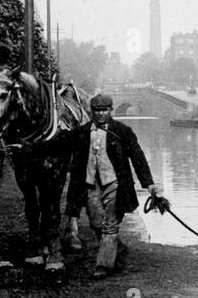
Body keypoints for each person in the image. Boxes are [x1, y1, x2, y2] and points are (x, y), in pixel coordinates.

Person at [64, 94, 163, 278]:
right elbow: (59, 144)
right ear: (91, 112)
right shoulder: (82, 132)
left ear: (111, 110)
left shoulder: (122, 131)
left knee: (110, 225)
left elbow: (138, 158)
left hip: (116, 185)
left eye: (105, 110)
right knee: (95, 222)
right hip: (91, 184)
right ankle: (120, 250)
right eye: (97, 110)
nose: (101, 114)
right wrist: (26, 147)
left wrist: (149, 184)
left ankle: (103, 266)